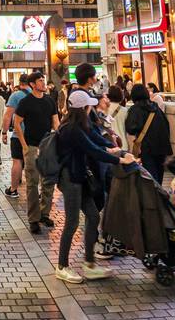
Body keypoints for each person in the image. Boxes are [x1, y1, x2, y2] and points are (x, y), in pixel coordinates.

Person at [54, 90, 133, 283]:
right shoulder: (71, 129)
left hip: (80, 177)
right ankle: (62, 266)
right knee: (72, 222)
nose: (92, 107)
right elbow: (93, 150)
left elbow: (97, 140)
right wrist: (119, 159)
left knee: (93, 215)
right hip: (70, 179)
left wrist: (117, 150)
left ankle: (89, 264)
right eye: (89, 105)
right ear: (82, 108)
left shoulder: (81, 124)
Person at [14, 72, 60, 234]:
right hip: (32, 146)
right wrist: (24, 145)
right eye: (40, 81)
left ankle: (44, 213)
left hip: (48, 146)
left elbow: (56, 122)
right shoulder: (25, 102)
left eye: (44, 80)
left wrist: (58, 140)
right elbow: (17, 123)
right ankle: (33, 218)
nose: (43, 83)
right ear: (33, 84)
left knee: (48, 181)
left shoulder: (49, 101)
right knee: (32, 183)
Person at [124, 84, 171, 185]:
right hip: (161, 146)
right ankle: (160, 196)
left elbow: (130, 128)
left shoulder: (135, 109)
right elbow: (166, 124)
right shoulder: (155, 107)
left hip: (146, 147)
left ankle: (154, 198)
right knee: (159, 174)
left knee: (150, 176)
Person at [2, 74, 30, 199]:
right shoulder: (36, 94)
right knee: (33, 162)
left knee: (17, 161)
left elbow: (8, 115)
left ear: (20, 82)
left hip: (18, 134)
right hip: (34, 135)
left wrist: (4, 132)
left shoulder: (16, 95)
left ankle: (13, 189)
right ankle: (36, 191)